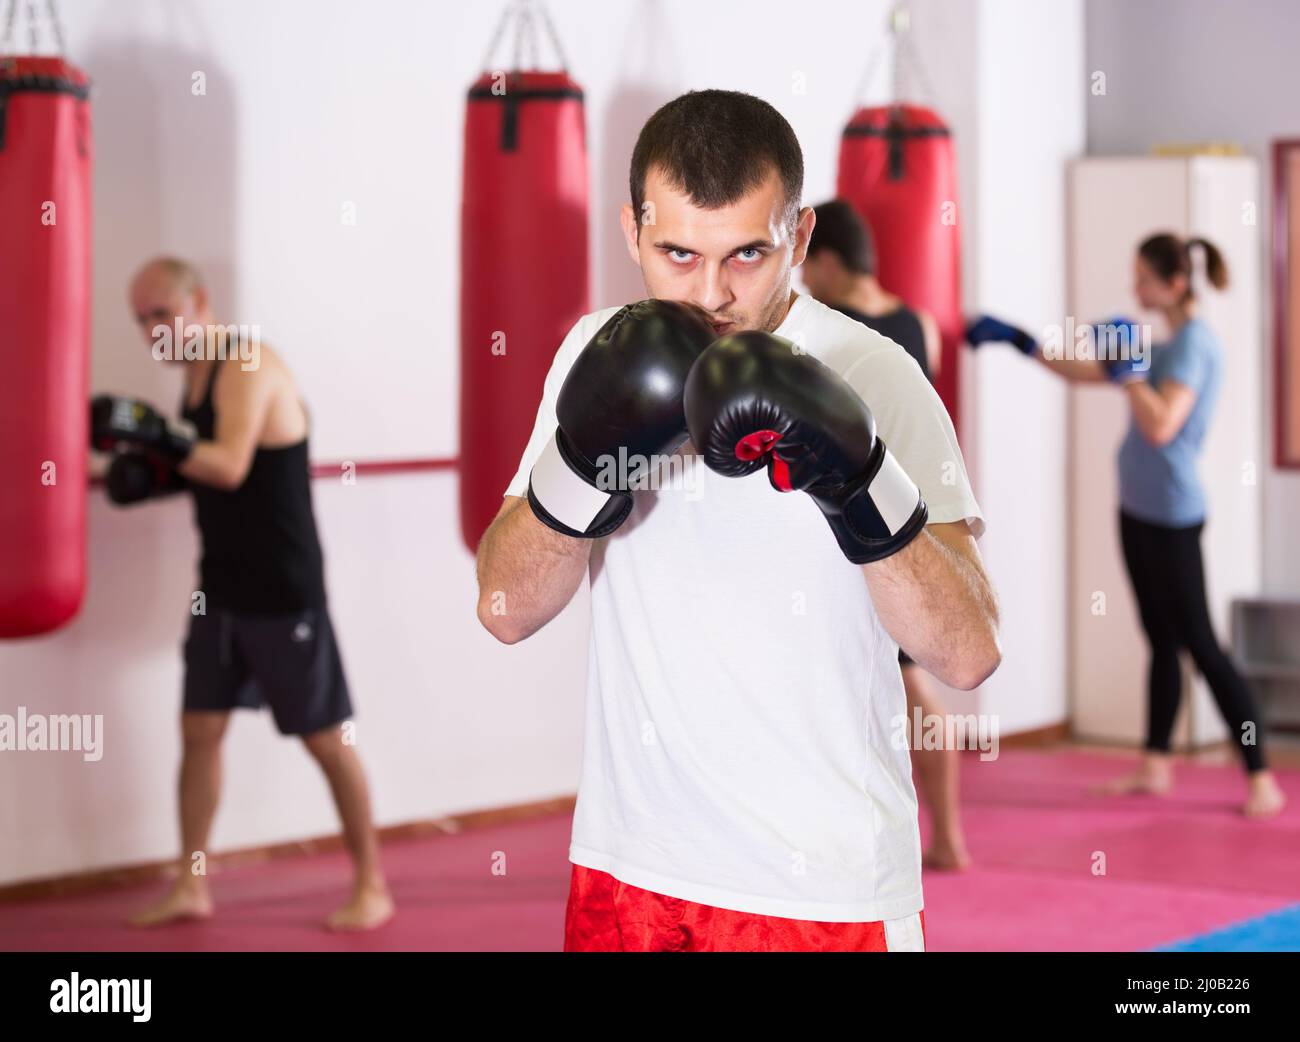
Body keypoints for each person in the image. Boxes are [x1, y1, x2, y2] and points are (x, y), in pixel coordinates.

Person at [475, 90, 1000, 952]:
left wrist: (857, 481)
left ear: (799, 236)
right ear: (631, 233)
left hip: (821, 892)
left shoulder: (878, 374)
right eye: (677, 253)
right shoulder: (593, 353)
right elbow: (505, 608)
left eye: (747, 253)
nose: (711, 293)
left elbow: (968, 653)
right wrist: (584, 458)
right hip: (628, 869)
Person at [92, 258, 394, 929]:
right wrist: (146, 473)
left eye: (161, 315)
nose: (152, 331)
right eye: (141, 320)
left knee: (323, 737)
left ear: (197, 302)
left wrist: (157, 438)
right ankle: (192, 883)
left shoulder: (248, 364)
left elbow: (227, 465)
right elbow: (202, 465)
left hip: (283, 587)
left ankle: (373, 884)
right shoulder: (196, 373)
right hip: (220, 586)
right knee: (200, 731)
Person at [965, 233, 1285, 819]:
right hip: (1137, 508)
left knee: (1202, 645)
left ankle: (1261, 776)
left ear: (1175, 284)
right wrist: (1016, 339)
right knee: (1161, 641)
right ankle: (1155, 765)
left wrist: (1132, 371)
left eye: (1143, 278)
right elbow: (1085, 374)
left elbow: (1162, 424)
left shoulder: (1194, 346)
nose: (1135, 289)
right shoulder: (1165, 345)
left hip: (1173, 515)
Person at [802, 198, 970, 870]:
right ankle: (949, 836)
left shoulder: (835, 334)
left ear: (832, 262)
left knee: (892, 686)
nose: (804, 284)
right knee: (905, 685)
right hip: (912, 519)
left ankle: (896, 841)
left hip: (854, 527)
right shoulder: (920, 323)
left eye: (810, 269)